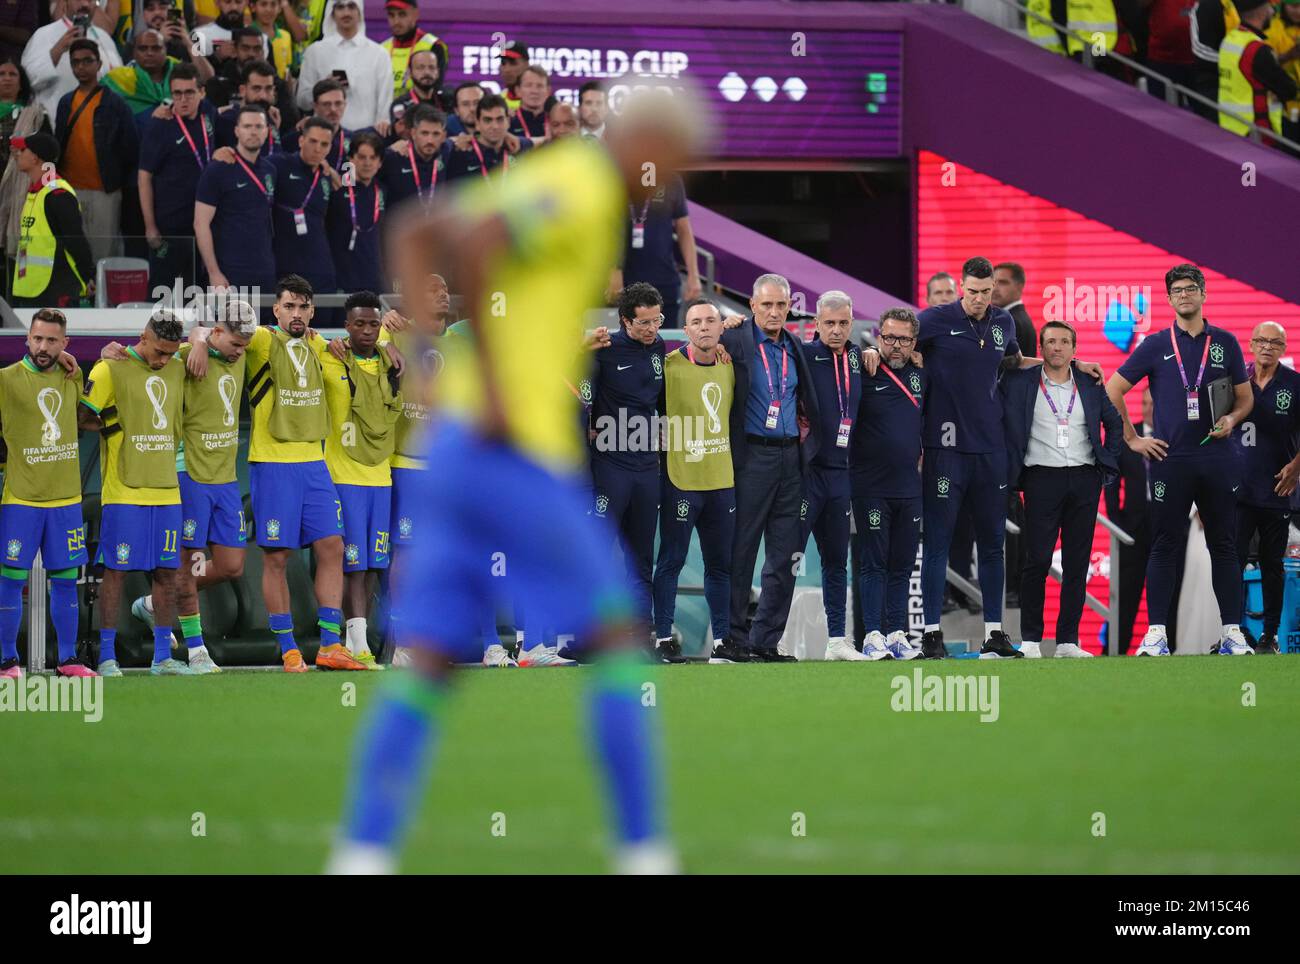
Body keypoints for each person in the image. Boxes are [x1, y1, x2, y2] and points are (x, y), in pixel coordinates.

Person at [327, 88, 699, 876]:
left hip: (460, 450)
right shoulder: (584, 183)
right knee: (617, 640)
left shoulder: (572, 181)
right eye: (674, 160)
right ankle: (644, 850)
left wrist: (436, 359)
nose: (672, 178)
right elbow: (453, 233)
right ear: (644, 144)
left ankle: (362, 851)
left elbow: (426, 230)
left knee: (426, 664)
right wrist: (490, 380)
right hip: (509, 449)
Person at [890, 256, 1104, 660]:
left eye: (986, 293)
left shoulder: (1003, 323)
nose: (978, 299)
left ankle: (994, 634)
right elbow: (897, 346)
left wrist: (1070, 365)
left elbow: (1015, 362)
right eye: (971, 292)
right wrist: (872, 355)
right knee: (937, 543)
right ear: (960, 286)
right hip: (944, 450)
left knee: (993, 545)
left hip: (991, 451)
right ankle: (931, 635)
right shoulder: (934, 320)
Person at [187, 275, 377, 672]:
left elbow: (370, 348)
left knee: (333, 549)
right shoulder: (260, 340)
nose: (297, 313)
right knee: (277, 558)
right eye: (289, 306)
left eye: (303, 307)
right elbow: (211, 328)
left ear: (311, 310)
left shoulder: (321, 345)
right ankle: (289, 648)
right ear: (276, 309)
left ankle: (329, 644)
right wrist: (200, 343)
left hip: (315, 464)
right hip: (273, 464)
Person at [1105, 263, 1254, 656]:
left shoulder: (1225, 342)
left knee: (1224, 545)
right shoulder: (1156, 344)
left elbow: (1245, 397)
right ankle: (1156, 635)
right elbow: (1113, 388)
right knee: (1164, 546)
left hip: (1218, 457)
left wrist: (1233, 418)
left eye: (1191, 289)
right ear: (1169, 299)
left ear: (1204, 293)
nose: (1184, 295)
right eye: (1177, 291)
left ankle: (1232, 633)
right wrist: (1133, 439)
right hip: (1171, 461)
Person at [109, 300, 256, 672]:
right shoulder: (187, 356)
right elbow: (149, 354)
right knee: (187, 564)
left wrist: (204, 336)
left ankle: (149, 603)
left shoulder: (234, 351)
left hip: (225, 476)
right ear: (218, 332)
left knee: (231, 566)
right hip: (188, 471)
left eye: (245, 346)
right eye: (236, 344)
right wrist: (199, 339)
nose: (241, 351)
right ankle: (197, 650)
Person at [78, 309, 195, 676]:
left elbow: (220, 338)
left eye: (170, 352)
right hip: (124, 491)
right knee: (116, 572)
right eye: (159, 351)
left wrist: (201, 342)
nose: (164, 360)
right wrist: (115, 424)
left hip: (166, 490)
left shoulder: (178, 363)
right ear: (142, 338)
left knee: (166, 573)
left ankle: (162, 657)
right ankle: (107, 657)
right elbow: (81, 416)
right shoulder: (109, 367)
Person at [1001, 320, 1122, 658]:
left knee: (1077, 562)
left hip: (1084, 478)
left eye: (1064, 342)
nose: (1056, 347)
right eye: (1050, 341)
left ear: (1074, 348)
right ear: (1040, 348)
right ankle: (1030, 639)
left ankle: (1068, 640)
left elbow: (1113, 424)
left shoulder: (1090, 382)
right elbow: (997, 365)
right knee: (1036, 561)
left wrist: (1105, 465)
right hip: (1040, 478)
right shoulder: (1019, 382)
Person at [720, 274, 822, 663]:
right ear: (751, 305)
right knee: (741, 551)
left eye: (782, 305)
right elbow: (693, 353)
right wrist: (719, 322)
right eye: (767, 305)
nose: (775, 311)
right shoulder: (733, 339)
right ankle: (734, 638)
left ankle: (765, 640)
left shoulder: (795, 345)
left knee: (785, 555)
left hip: (790, 459)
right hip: (751, 458)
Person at [0, 309, 92, 680]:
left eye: (52, 340)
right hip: (21, 500)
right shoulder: (6, 380)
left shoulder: (74, 376)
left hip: (66, 501)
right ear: (27, 339)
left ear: (64, 344)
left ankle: (68, 660)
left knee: (67, 580)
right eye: (37, 338)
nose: (42, 346)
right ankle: (7, 661)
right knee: (10, 580)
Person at [652, 297, 738, 662]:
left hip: (721, 479)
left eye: (711, 321)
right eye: (696, 322)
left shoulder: (733, 365)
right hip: (681, 479)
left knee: (720, 566)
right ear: (684, 331)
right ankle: (661, 638)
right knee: (671, 561)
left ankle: (722, 641)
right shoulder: (668, 366)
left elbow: (757, 323)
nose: (704, 327)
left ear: (721, 329)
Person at [320, 291, 400, 667]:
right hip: (343, 475)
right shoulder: (328, 356)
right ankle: (350, 642)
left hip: (380, 476)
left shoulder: (391, 362)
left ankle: (359, 638)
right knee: (350, 563)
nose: (367, 330)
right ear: (346, 326)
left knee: (371, 565)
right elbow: (289, 337)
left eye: (374, 323)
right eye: (359, 324)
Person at [588, 282, 667, 657]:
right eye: (644, 323)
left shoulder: (660, 348)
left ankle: (639, 636)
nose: (652, 329)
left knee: (641, 556)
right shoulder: (604, 349)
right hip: (609, 465)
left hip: (645, 466)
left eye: (657, 320)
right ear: (625, 321)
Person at [797, 291, 866, 661]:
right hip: (807, 474)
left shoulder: (858, 356)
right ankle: (769, 640)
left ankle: (837, 640)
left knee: (836, 560)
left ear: (851, 323)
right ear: (817, 324)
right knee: (787, 557)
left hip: (841, 474)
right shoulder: (803, 356)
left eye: (843, 323)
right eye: (829, 324)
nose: (836, 330)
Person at [852, 307, 925, 661]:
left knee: (901, 565)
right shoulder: (862, 369)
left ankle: (897, 633)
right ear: (878, 336)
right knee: (873, 563)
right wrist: (861, 352)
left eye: (904, 339)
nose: (895, 346)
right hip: (870, 487)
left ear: (914, 342)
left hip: (910, 487)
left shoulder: (922, 375)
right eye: (889, 337)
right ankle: (872, 635)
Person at [1232, 321, 1300, 654]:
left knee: (1272, 565)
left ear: (1284, 349)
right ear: (1251, 343)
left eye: (1275, 342)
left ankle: (1269, 635)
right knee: (1232, 561)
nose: (1267, 347)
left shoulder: (1295, 384)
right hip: (1237, 491)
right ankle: (1234, 631)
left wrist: (1296, 466)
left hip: (1277, 490)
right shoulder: (1234, 382)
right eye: (1261, 340)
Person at [55, 39, 137, 265]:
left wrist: (117, 178)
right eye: (76, 62)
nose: (81, 67)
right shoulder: (65, 102)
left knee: (103, 254)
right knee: (72, 254)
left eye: (87, 61)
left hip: (105, 191)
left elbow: (130, 147)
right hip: (70, 189)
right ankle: (76, 300)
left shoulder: (115, 103)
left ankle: (101, 301)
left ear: (99, 63)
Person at [139, 63, 212, 292]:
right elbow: (144, 177)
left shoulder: (209, 115)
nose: (183, 100)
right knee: (165, 291)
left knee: (200, 292)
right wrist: (150, 225)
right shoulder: (160, 124)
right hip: (171, 225)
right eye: (177, 94)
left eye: (189, 92)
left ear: (201, 92)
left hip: (207, 225)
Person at [194, 103, 275, 295]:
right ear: (237, 131)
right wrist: (214, 272)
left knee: (263, 326)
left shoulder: (271, 170)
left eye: (258, 127)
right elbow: (200, 223)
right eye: (247, 126)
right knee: (230, 325)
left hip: (264, 269)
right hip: (229, 270)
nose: (253, 132)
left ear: (267, 131)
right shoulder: (218, 168)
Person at [10, 132, 93, 308]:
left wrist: (88, 275)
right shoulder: (37, 192)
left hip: (56, 287)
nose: (17, 154)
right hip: (32, 287)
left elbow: (75, 240)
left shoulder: (57, 194)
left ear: (35, 158)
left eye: (22, 150)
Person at [609, 173, 699, 329]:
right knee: (628, 343)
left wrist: (693, 274)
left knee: (665, 344)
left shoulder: (672, 180)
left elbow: (684, 229)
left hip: (665, 281)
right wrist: (614, 270)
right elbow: (608, 228)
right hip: (627, 280)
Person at [296, 0, 393, 134]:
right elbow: (302, 101)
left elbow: (385, 106)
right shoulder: (315, 52)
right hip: (324, 138)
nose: (346, 12)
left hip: (366, 139)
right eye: (340, 7)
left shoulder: (379, 54)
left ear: (360, 12)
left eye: (352, 6)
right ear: (332, 13)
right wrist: (324, 86)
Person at [265, 115, 337, 294]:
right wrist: (229, 152)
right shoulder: (280, 164)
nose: (317, 149)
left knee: (323, 320)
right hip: (285, 265)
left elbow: (352, 190)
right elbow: (252, 165)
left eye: (324, 144)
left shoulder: (326, 175)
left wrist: (334, 173)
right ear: (301, 140)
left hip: (321, 266)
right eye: (313, 141)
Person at [23, 0, 122, 118]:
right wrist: (58, 49)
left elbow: (118, 82)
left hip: (99, 123)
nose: (85, 4)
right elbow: (27, 81)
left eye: (90, 0)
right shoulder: (43, 35)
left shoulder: (104, 38)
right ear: (65, 3)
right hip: (55, 121)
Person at [1218, 0, 1298, 141]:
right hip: (1257, 133)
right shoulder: (1257, 51)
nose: (1273, 12)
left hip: (1230, 127)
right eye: (1269, 8)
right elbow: (1289, 89)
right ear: (1261, 12)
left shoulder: (1230, 40)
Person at [326, 129, 384, 293]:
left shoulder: (382, 191)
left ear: (380, 163)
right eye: (361, 157)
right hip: (342, 277)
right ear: (351, 159)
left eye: (373, 158)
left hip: (374, 277)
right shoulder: (338, 189)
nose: (367, 163)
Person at [214, 59, 297, 156]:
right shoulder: (227, 120)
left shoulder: (271, 117)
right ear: (242, 90)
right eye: (256, 89)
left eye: (268, 89)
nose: (263, 96)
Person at [444, 93, 529, 180]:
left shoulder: (521, 148)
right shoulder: (460, 153)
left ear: (508, 121)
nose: (495, 126)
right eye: (487, 120)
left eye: (500, 119)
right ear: (477, 124)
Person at [380, 102, 446, 209]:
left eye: (436, 134)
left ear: (443, 136)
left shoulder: (447, 152)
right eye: (424, 133)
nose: (430, 140)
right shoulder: (393, 156)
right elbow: (352, 167)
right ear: (414, 133)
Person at [102, 28, 178, 116]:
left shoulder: (182, 71)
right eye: (143, 49)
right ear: (134, 53)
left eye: (156, 48)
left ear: (165, 50)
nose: (149, 53)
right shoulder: (117, 79)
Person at [380, 0, 446, 101]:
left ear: (416, 14)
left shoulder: (433, 46)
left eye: (402, 14)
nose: (396, 21)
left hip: (420, 113)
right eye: (391, 15)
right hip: (385, 114)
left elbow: (434, 91)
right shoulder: (382, 49)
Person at [283, 78, 350, 167]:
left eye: (338, 103)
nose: (333, 109)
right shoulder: (294, 139)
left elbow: (351, 180)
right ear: (315, 106)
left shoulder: (353, 140)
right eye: (326, 104)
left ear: (345, 105)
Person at [508, 65, 552, 141]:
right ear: (518, 91)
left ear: (548, 91)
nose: (534, 91)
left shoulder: (555, 122)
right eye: (528, 85)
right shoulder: (508, 121)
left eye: (540, 86)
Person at [497, 39, 529, 110]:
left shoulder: (542, 103)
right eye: (503, 63)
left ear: (526, 65)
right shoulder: (497, 103)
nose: (507, 70)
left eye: (513, 63)